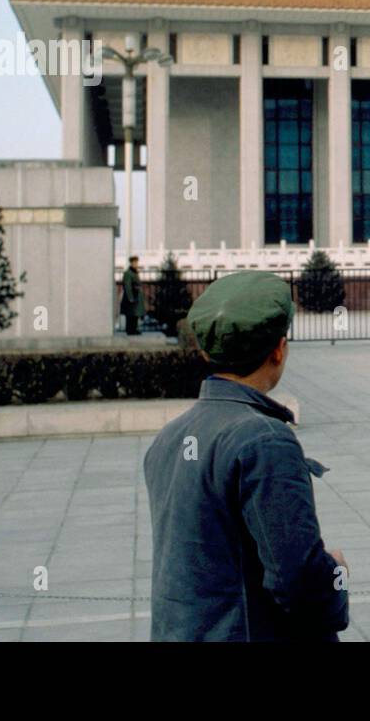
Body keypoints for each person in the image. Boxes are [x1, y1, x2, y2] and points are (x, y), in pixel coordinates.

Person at [143, 271, 349, 642]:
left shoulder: (170, 437)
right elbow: (297, 579)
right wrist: (336, 572)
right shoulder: (264, 440)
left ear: (206, 352)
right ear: (279, 350)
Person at [120, 255, 145, 335]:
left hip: (136, 295)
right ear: (131, 263)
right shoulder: (128, 273)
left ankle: (134, 329)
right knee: (130, 314)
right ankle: (130, 330)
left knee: (135, 314)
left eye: (136, 262)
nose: (136, 264)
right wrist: (130, 297)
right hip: (132, 296)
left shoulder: (134, 272)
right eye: (134, 262)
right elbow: (127, 286)